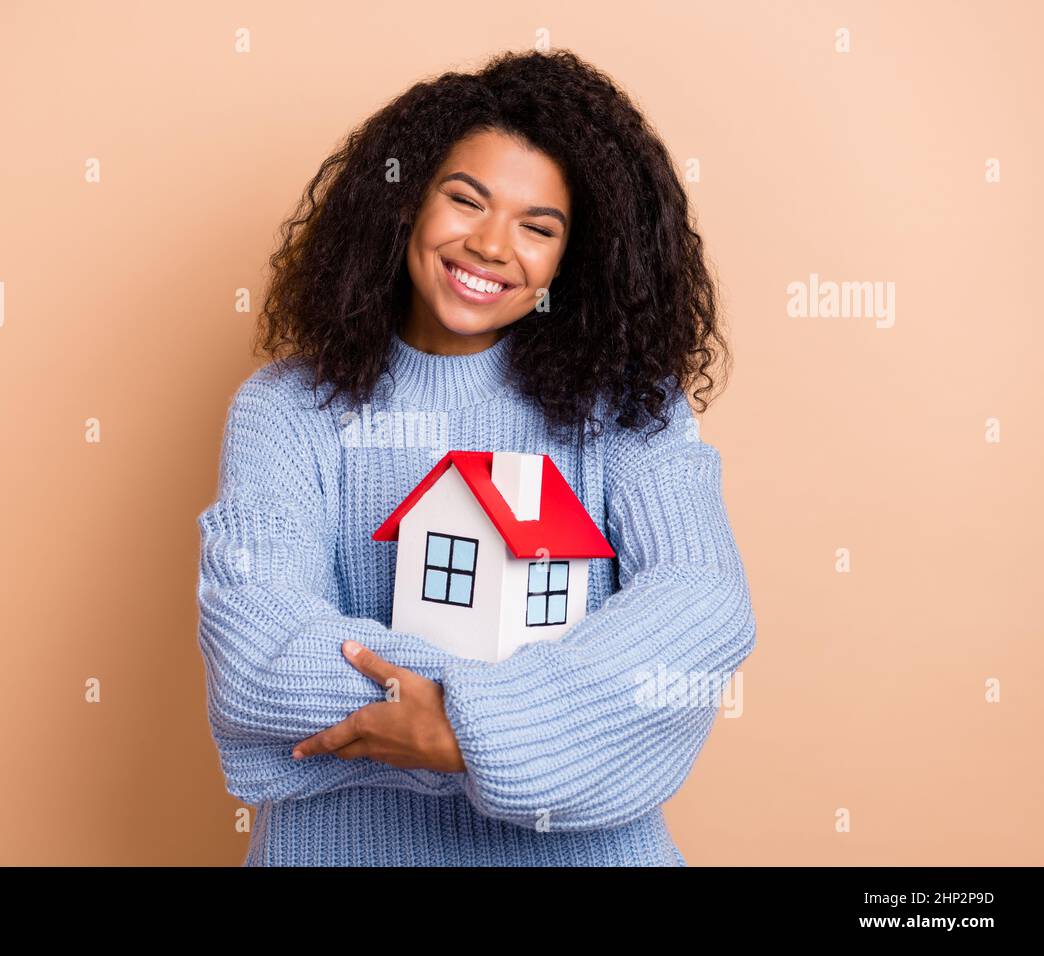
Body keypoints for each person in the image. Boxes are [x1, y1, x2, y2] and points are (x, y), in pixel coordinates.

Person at [195, 48, 756, 866]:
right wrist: (526, 726)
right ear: (403, 205)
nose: (493, 244)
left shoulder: (630, 409)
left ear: (575, 258)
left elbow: (701, 609)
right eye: (466, 200)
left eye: (539, 227)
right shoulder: (284, 409)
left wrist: (463, 722)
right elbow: (258, 657)